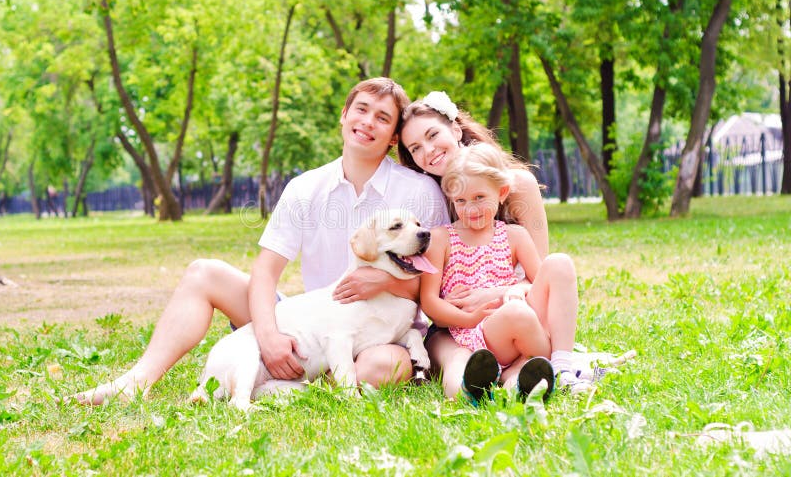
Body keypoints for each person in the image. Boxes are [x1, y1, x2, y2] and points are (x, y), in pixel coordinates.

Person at [70, 77, 450, 405]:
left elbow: (440, 280)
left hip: (377, 331)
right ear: (344, 116)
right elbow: (266, 274)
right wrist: (269, 335)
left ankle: (301, 385)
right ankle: (136, 382)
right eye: (362, 110)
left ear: (393, 136)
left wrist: (383, 281)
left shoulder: (417, 192)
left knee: (384, 367)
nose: (368, 122)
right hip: (304, 321)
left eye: (382, 118)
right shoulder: (306, 187)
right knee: (204, 272)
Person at [399, 91, 590, 398]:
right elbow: (428, 295)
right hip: (462, 328)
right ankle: (496, 380)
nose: (429, 150)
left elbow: (540, 277)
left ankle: (553, 368)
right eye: (415, 148)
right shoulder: (427, 203)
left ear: (456, 129)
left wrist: (495, 294)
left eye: (433, 134)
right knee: (457, 360)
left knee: (556, 267)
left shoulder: (515, 187)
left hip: (520, 309)